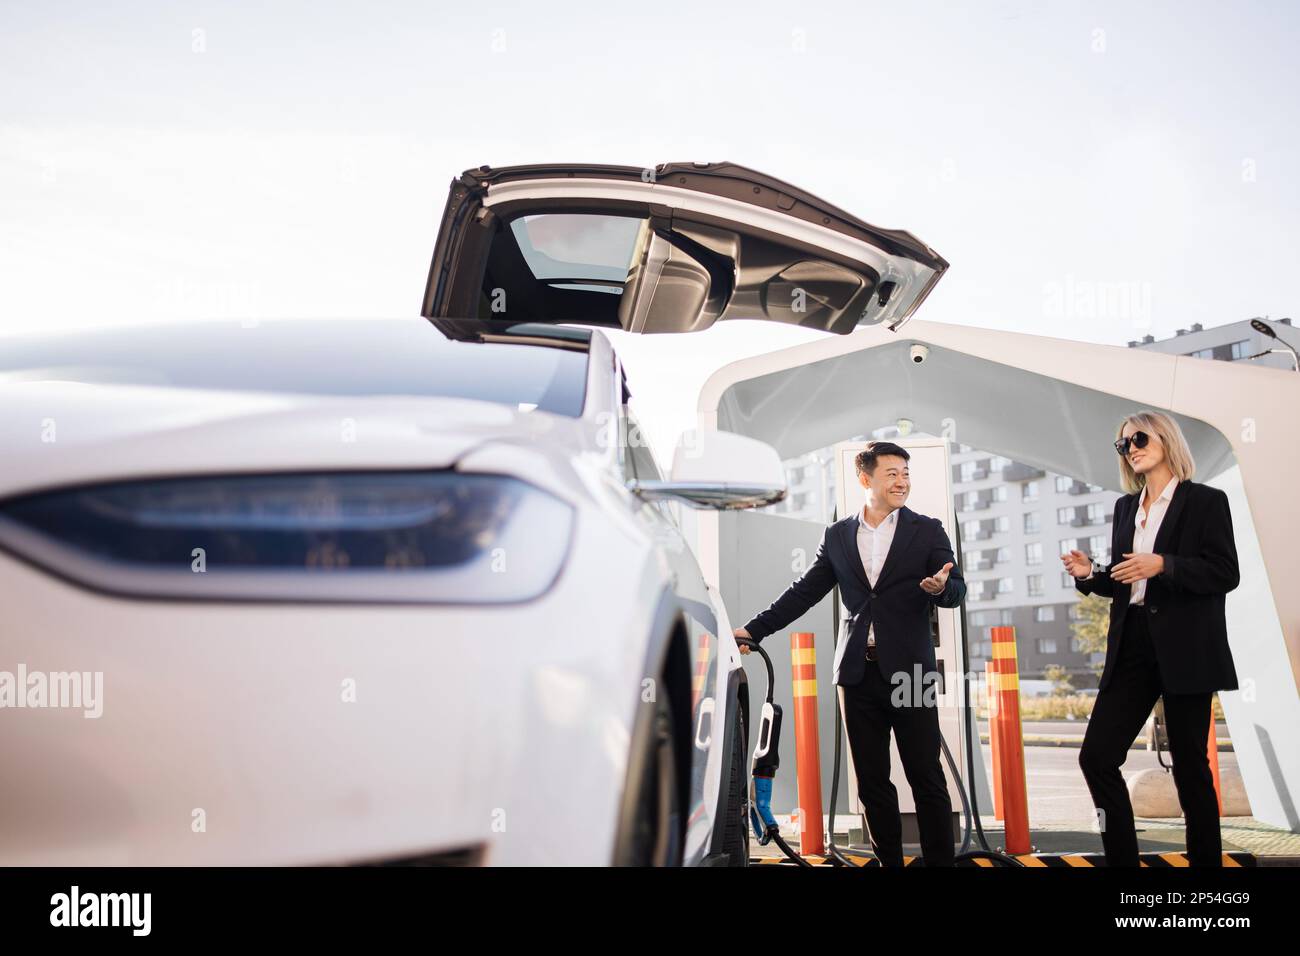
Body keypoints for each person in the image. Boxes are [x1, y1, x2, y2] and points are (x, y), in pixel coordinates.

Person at [734, 441, 965, 866]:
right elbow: (804, 591)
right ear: (866, 479)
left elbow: (957, 589)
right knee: (872, 783)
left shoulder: (928, 530)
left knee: (926, 776)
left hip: (911, 674)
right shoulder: (838, 535)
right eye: (892, 473)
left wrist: (941, 588)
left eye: (906, 474)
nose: (902, 481)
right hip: (858, 674)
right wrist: (754, 630)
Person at [1062, 410, 1239, 867]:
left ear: (1165, 438)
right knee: (1096, 758)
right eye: (1123, 444)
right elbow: (1127, 581)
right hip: (1132, 646)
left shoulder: (1205, 501)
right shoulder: (1126, 507)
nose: (1131, 448)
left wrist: (1164, 564)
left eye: (1138, 438)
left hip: (1186, 648)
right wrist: (1090, 575)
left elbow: (1225, 572)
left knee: (1191, 770)